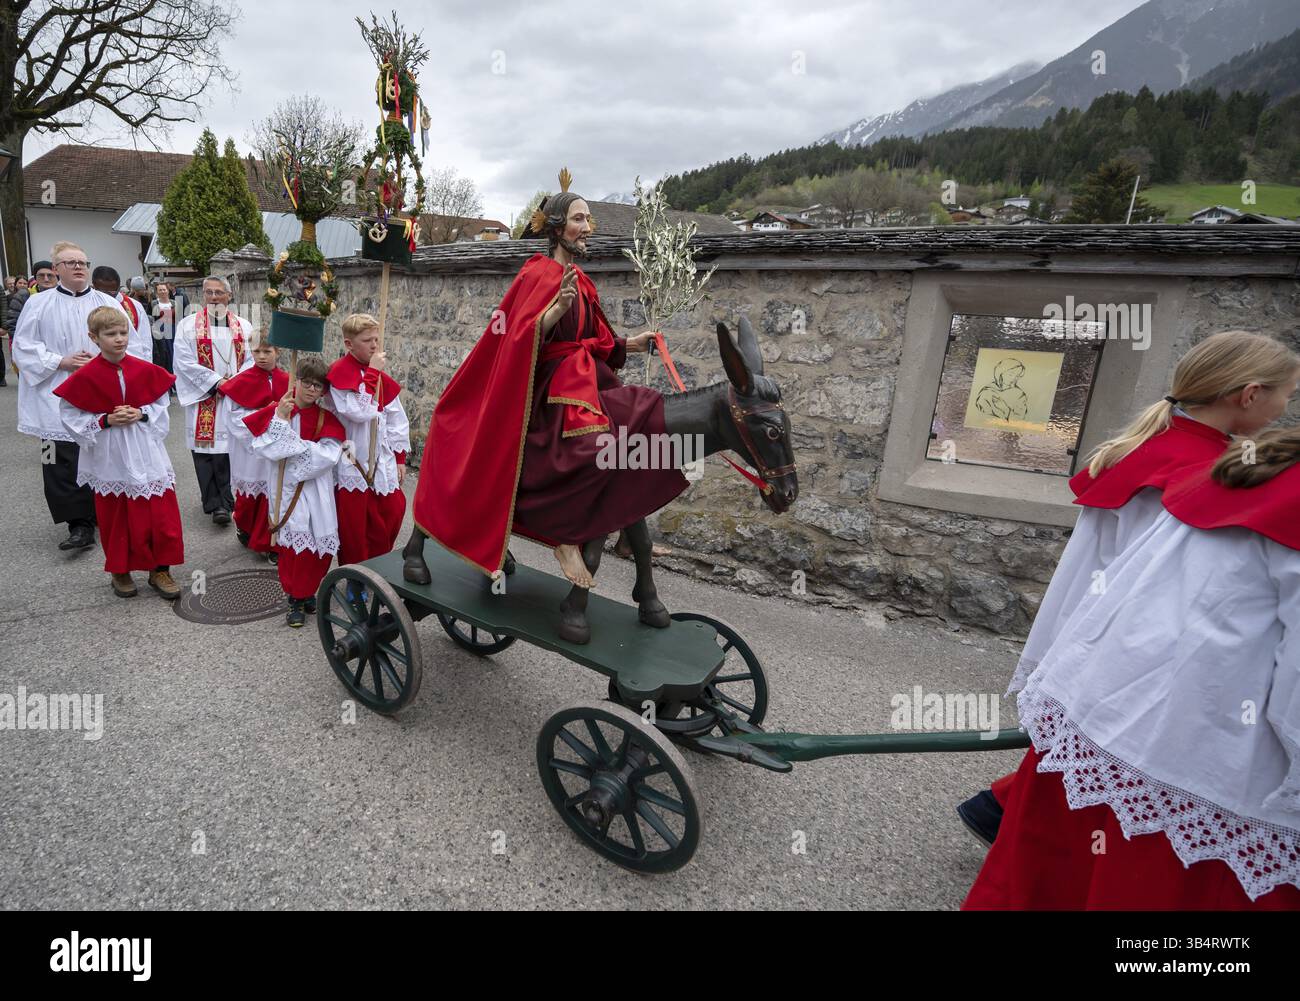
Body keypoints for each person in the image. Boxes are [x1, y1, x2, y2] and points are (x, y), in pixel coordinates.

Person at [956, 331, 1300, 846]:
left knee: (1083, 743)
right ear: (1249, 394)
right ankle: (1012, 822)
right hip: (1136, 630)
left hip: (1106, 621)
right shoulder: (1193, 465)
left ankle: (1004, 813)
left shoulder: (1163, 445)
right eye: (1286, 394)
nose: (1286, 406)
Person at [407, 169, 683, 590]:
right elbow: (515, 335)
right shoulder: (535, 274)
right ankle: (566, 538)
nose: (587, 227)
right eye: (578, 219)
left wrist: (632, 343)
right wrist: (552, 313)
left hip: (585, 380)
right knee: (590, 448)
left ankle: (624, 525)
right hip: (544, 388)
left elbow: (597, 340)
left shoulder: (583, 283)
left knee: (637, 418)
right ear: (556, 228)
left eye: (588, 219)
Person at [11, 243, 142, 552]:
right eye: (70, 263)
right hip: (53, 392)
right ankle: (78, 524)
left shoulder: (106, 303)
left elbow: (133, 344)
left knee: (101, 449)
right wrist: (60, 361)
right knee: (59, 457)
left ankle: (104, 511)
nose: (79, 267)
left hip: (101, 391)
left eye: (83, 262)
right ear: (56, 270)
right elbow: (23, 346)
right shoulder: (39, 304)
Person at [52, 306, 183, 599]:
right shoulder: (85, 376)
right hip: (110, 454)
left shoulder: (145, 369)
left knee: (159, 514)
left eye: (123, 332)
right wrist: (105, 420)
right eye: (110, 334)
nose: (119, 339)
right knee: (116, 516)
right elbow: (70, 417)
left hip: (145, 450)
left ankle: (160, 569)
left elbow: (162, 406)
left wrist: (142, 413)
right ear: (94, 338)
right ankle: (120, 570)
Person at [245, 357, 345, 627]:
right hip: (287, 489)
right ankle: (295, 599)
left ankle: (308, 590)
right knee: (293, 548)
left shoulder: (325, 418)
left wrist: (295, 448)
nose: (313, 390)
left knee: (318, 547)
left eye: (319, 386)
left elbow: (329, 455)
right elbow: (264, 449)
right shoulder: (277, 413)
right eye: (308, 383)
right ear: (296, 380)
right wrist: (280, 420)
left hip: (316, 488)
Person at [327, 313, 410, 568]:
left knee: (393, 512)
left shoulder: (379, 375)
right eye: (367, 340)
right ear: (349, 344)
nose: (375, 345)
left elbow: (397, 417)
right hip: (352, 458)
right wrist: (372, 371)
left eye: (376, 339)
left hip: (381, 458)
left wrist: (399, 458)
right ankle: (356, 576)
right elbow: (359, 412)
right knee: (356, 527)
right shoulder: (339, 374)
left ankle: (378, 567)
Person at [173, 276, 253, 525]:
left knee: (229, 451)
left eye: (219, 292)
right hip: (204, 396)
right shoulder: (187, 326)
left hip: (233, 396)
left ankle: (227, 501)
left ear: (229, 296)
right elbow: (183, 362)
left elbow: (252, 359)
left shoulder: (244, 326)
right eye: (209, 292)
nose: (214, 297)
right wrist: (217, 382)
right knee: (205, 452)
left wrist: (237, 383)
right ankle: (212, 503)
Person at [223, 332, 287, 559]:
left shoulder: (288, 380)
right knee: (252, 495)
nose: (261, 357)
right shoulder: (240, 382)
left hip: (279, 448)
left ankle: (271, 542)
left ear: (277, 352)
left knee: (275, 493)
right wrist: (265, 422)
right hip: (251, 449)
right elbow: (233, 418)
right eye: (256, 351)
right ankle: (246, 527)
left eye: (267, 351)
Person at [90, 266, 153, 362]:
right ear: (94, 286)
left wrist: (145, 364)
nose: (109, 297)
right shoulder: (88, 305)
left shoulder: (135, 306)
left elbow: (145, 341)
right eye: (104, 292)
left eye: (113, 292)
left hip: (130, 363)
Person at [5, 260, 55, 334]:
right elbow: (13, 324)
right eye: (41, 275)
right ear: (35, 278)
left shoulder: (62, 296)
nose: (46, 279)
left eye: (50, 275)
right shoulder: (23, 296)